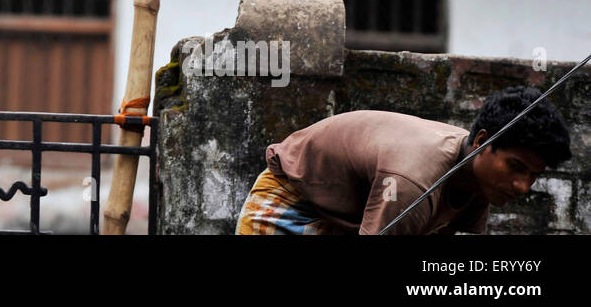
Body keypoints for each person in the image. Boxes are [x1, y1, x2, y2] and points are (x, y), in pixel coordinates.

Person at [236, 86, 571, 235]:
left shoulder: (478, 180)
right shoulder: (413, 183)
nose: (522, 186)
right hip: (290, 206)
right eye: (516, 167)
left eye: (534, 175)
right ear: (482, 143)